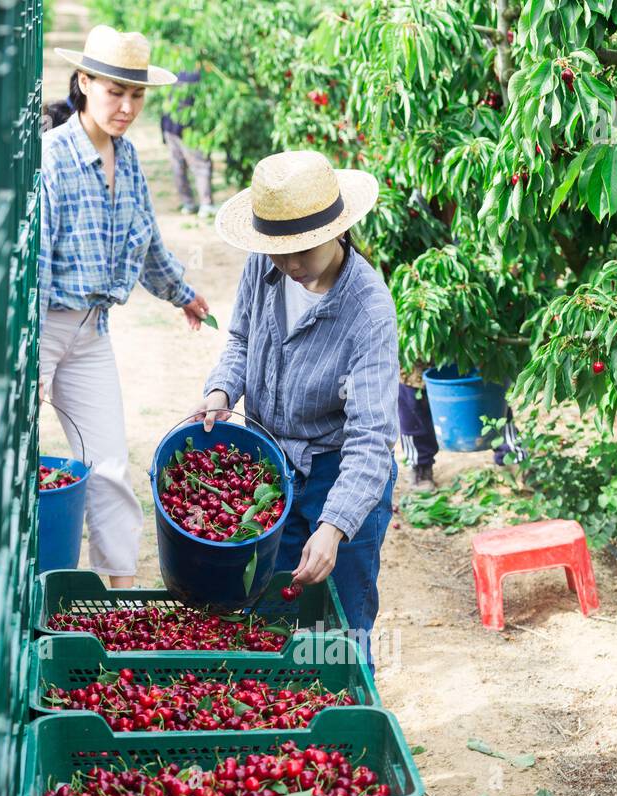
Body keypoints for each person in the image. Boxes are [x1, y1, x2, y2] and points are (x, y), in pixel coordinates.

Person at [187, 150, 399, 664]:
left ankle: (347, 731)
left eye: (302, 249)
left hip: (337, 472)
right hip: (273, 471)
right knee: (271, 620)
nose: (290, 264)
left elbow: (370, 440)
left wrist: (335, 525)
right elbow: (240, 339)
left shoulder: (368, 311)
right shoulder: (266, 264)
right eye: (279, 251)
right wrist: (221, 391)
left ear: (337, 229)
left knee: (341, 629)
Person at [40, 25, 211, 588]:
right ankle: (25, 579)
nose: (127, 106)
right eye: (115, 91)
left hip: (91, 331)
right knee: (17, 461)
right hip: (43, 326)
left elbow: (147, 238)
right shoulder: (53, 158)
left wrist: (181, 292)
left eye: (136, 95)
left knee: (109, 465)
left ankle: (115, 591)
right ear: (84, 82)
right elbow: (36, 261)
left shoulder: (130, 156)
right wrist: (28, 363)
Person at [161, 70, 215, 217]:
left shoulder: (176, 72)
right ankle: (206, 204)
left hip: (170, 127)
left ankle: (188, 203)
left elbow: (166, 104)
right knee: (201, 166)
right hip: (190, 130)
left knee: (178, 167)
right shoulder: (199, 77)